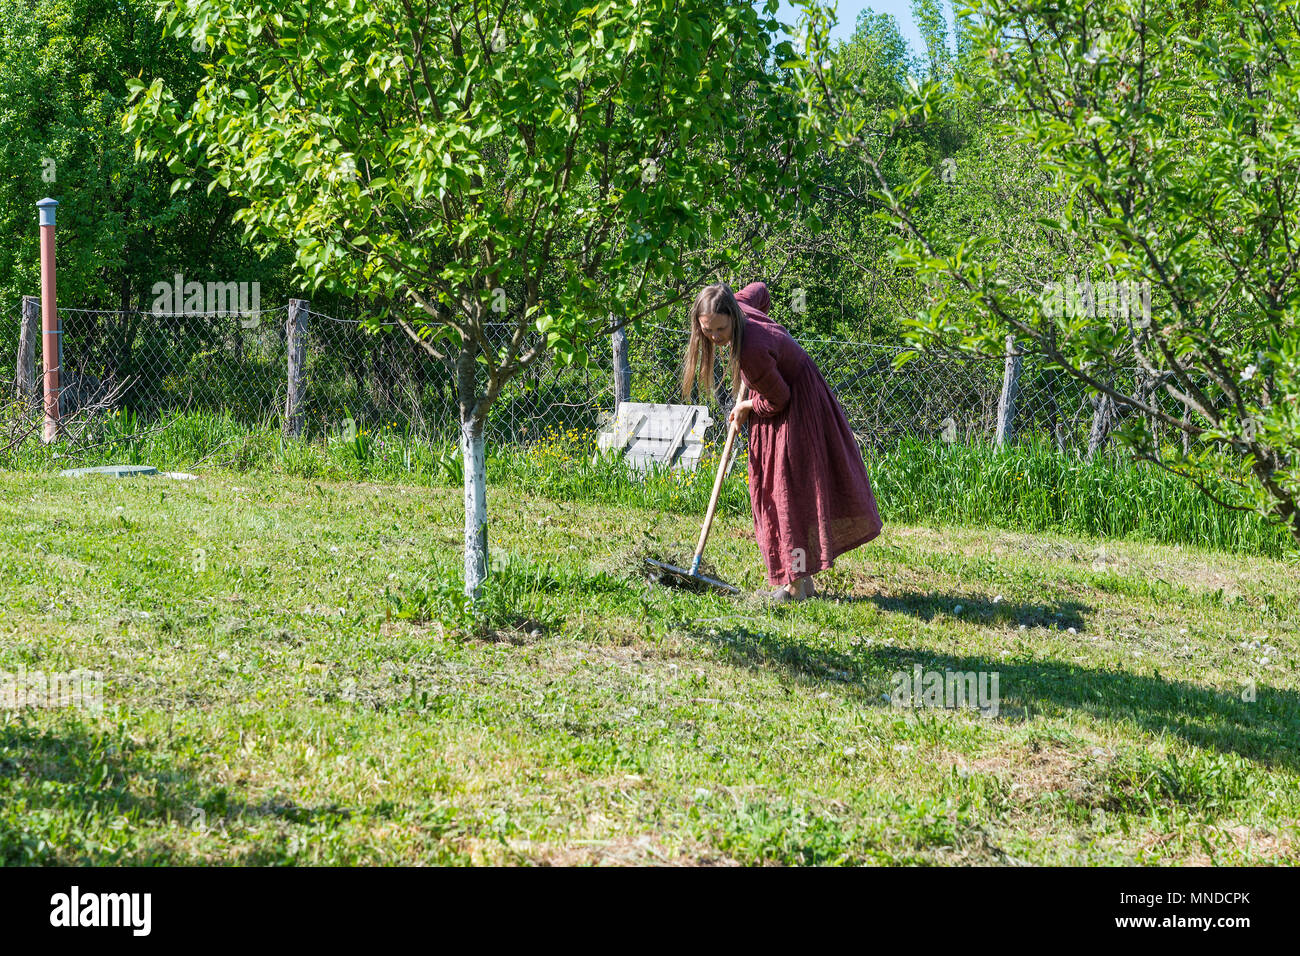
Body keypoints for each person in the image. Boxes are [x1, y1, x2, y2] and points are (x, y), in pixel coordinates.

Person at [681, 281, 883, 600]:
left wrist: (747, 405)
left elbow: (779, 399)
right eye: (708, 330)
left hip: (795, 409)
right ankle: (805, 584)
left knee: (786, 494)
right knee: (788, 491)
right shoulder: (741, 305)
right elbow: (759, 289)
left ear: (732, 316)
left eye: (720, 329)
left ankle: (793, 587)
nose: (715, 337)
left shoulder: (752, 352)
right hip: (795, 396)